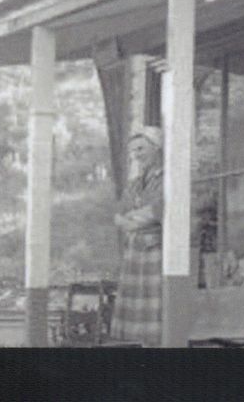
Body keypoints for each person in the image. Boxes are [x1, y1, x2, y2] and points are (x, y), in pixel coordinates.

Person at [110, 126, 164, 345]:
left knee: (155, 310)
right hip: (136, 249)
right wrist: (130, 219)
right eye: (133, 151)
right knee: (138, 315)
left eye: (141, 148)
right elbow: (119, 213)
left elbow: (158, 211)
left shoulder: (167, 178)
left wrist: (130, 220)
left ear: (157, 148)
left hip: (156, 249)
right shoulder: (136, 181)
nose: (137, 155)